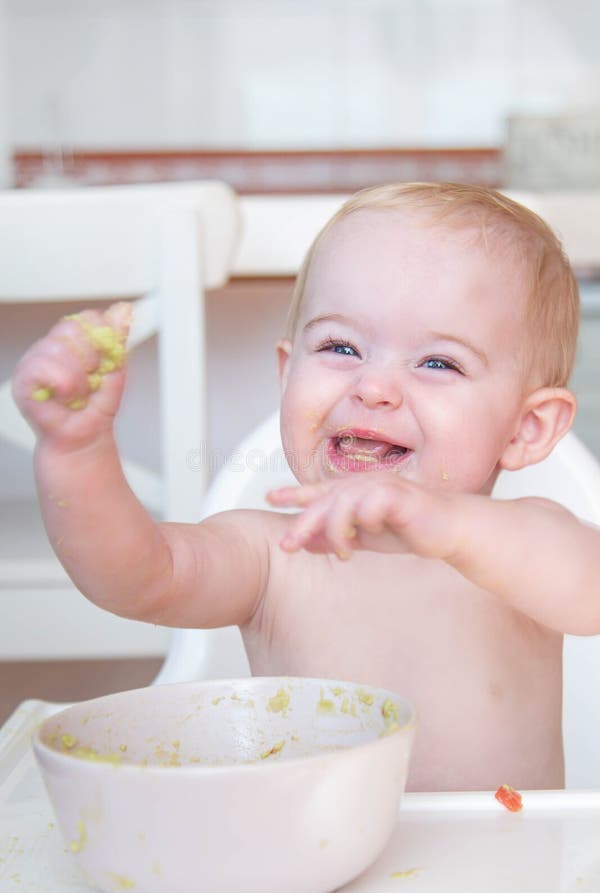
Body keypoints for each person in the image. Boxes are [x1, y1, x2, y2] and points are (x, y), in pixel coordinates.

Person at [13, 182, 600, 792]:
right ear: (286, 373)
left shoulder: (528, 547)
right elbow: (136, 577)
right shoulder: (271, 557)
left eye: (438, 363)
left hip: (500, 878)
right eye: (341, 347)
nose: (373, 388)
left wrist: (445, 524)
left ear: (527, 428)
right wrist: (76, 453)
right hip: (310, 870)